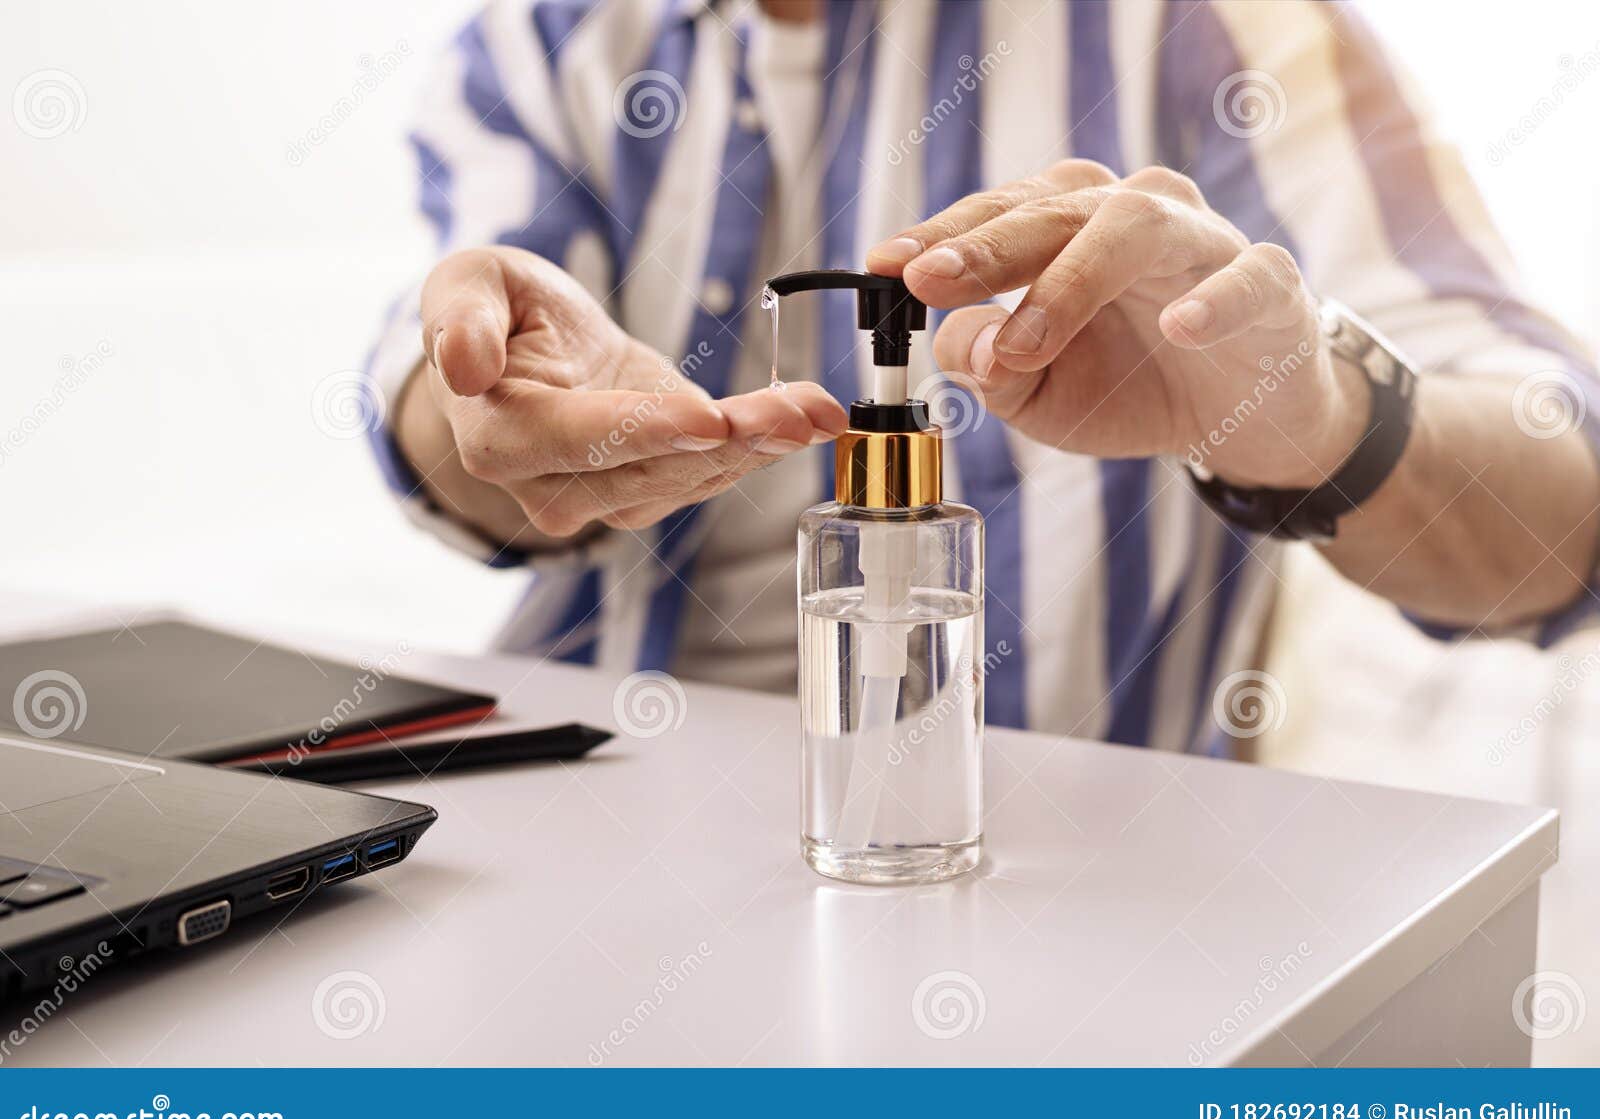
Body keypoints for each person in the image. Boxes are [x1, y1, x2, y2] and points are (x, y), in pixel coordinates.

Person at [365, 0, 1600, 753]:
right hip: (594, 798)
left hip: (1046, 901)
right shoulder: (541, 42)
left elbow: (1566, 516)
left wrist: (1312, 419)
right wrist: (483, 407)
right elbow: (465, 415)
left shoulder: (1216, 26)